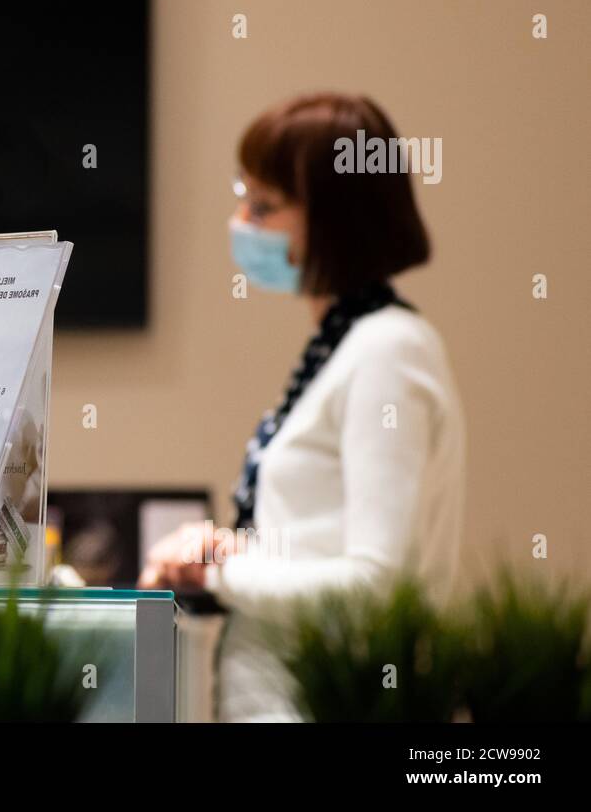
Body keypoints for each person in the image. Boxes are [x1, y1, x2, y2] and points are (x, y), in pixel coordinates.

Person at [139, 93, 466, 722]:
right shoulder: (349, 345)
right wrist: (229, 555)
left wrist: (215, 575)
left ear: (335, 221)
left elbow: (375, 590)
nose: (240, 221)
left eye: (263, 206)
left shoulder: (387, 352)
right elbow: (319, 548)